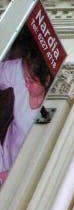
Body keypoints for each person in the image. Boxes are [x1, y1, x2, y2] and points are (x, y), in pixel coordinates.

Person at [0, 47, 52, 185]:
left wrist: (10, 175)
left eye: (32, 81)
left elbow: (39, 156)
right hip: (4, 151)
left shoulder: (48, 111)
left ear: (46, 81)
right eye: (26, 78)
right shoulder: (23, 74)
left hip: (19, 173)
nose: (26, 84)